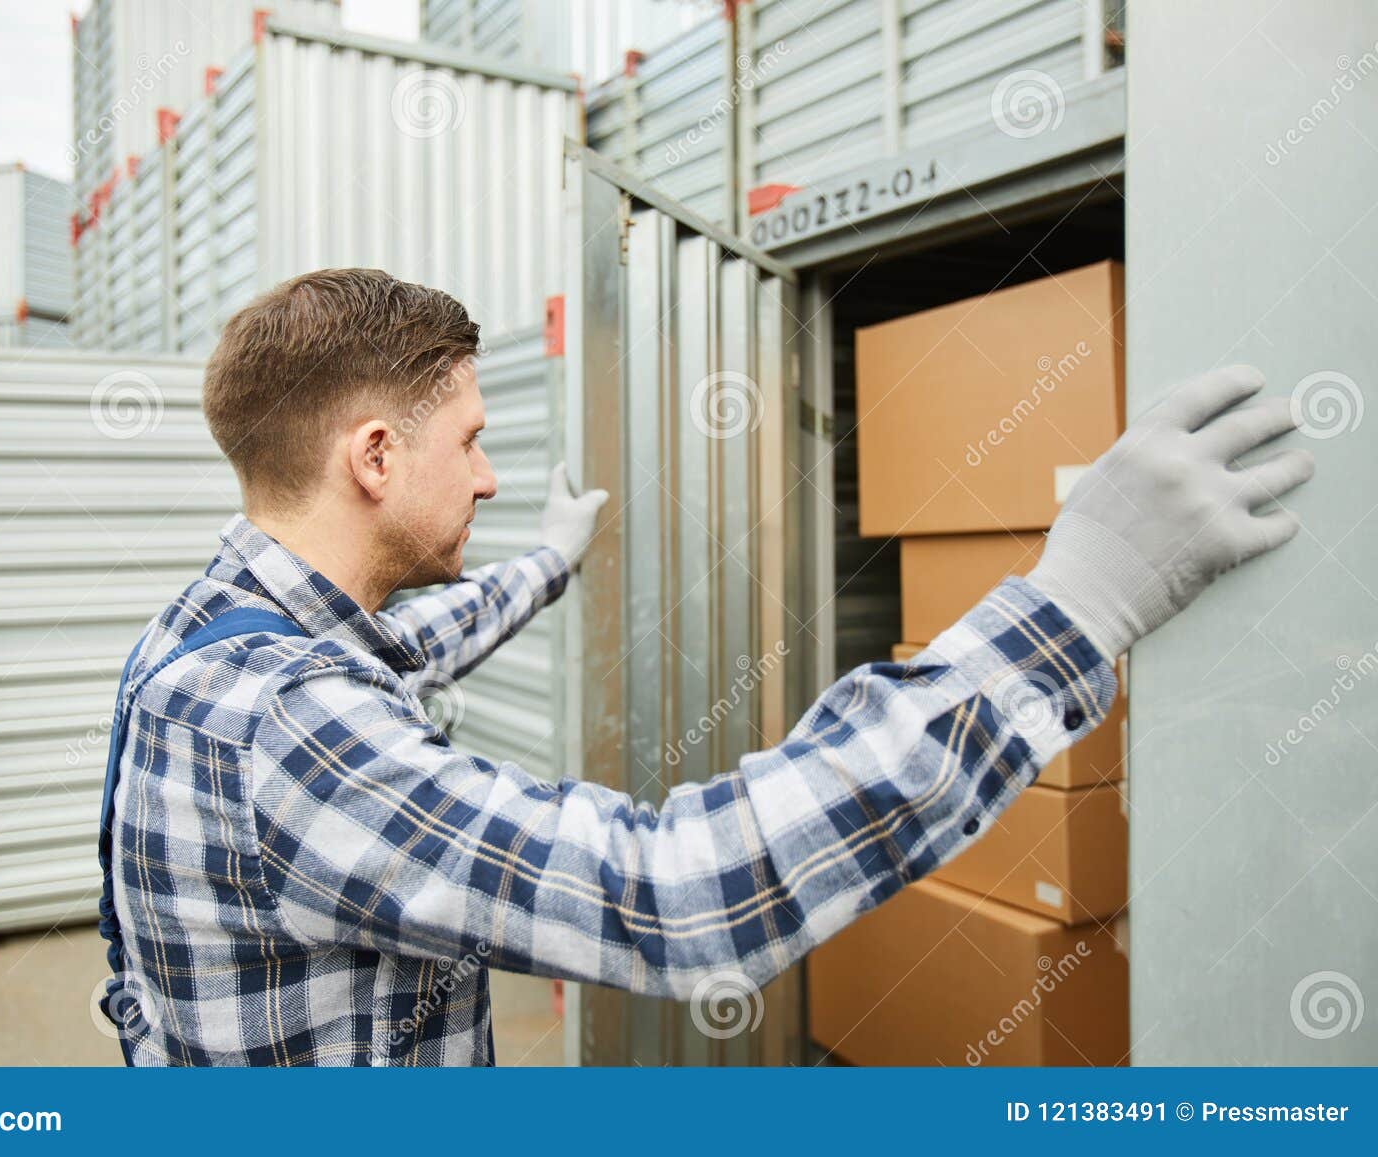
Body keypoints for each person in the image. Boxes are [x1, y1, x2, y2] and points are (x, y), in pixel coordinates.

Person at [95, 267, 1315, 1066]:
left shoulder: (206, 642)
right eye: (469, 441)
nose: (488, 477)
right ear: (372, 455)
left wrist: (547, 564)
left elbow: (406, 647)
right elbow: (678, 896)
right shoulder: (295, 728)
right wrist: (1074, 603)